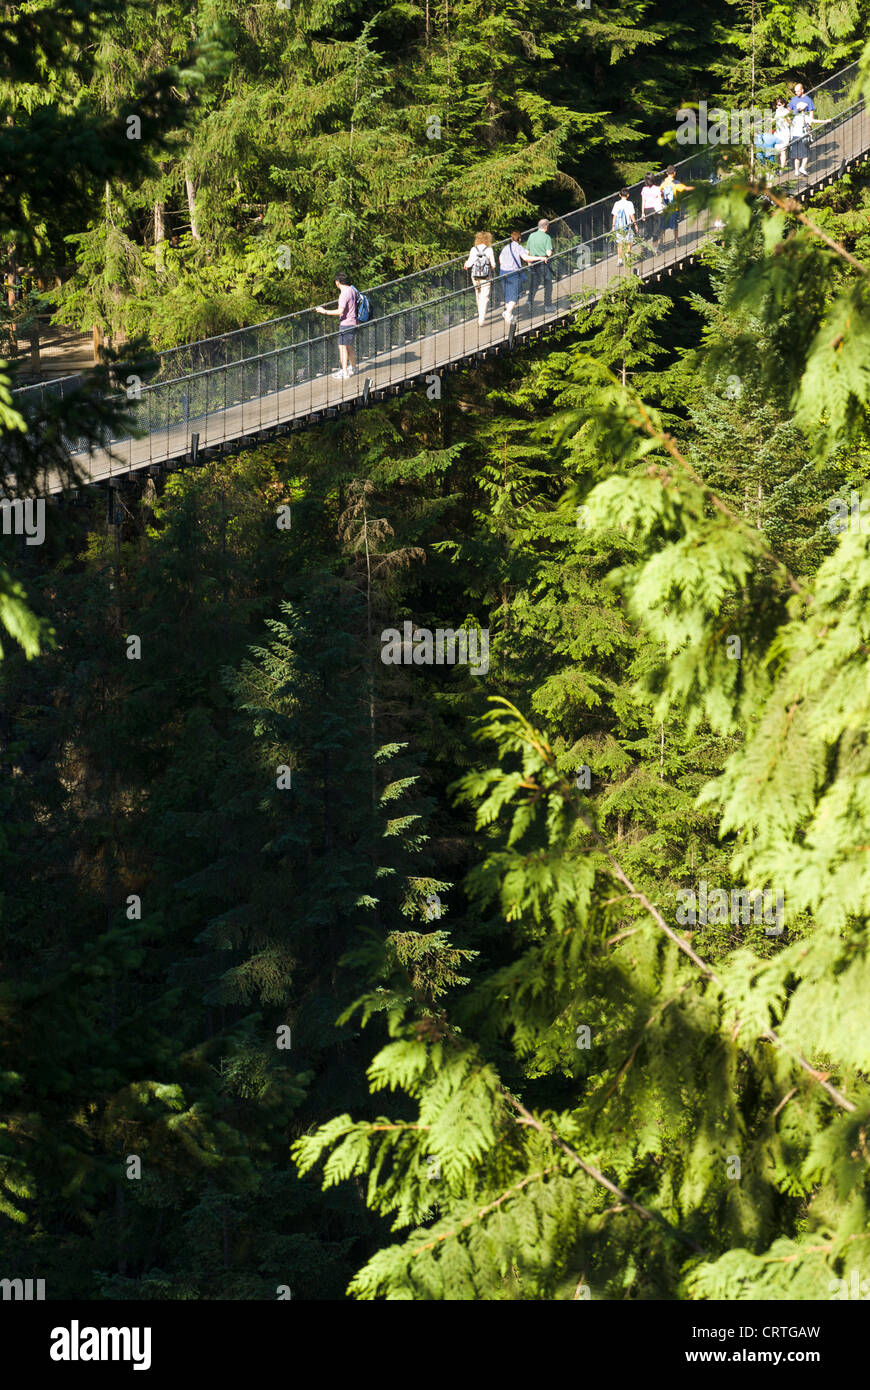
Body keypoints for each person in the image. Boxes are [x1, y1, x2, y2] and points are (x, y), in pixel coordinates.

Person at [315, 273, 358, 378]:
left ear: (338, 282)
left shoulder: (344, 294)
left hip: (346, 324)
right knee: (349, 346)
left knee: (342, 347)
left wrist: (324, 311)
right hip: (353, 322)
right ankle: (353, 368)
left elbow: (340, 311)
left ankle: (344, 372)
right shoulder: (352, 290)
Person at [498, 230, 537, 325]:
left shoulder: (505, 248)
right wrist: (540, 258)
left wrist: (506, 264)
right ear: (519, 239)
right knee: (515, 295)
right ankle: (507, 313)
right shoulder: (519, 248)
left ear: (511, 238)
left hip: (503, 272)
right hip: (513, 273)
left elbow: (500, 260)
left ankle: (509, 316)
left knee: (508, 294)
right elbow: (526, 258)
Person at [464, 232, 496, 326]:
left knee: (478, 293)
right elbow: (493, 265)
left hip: (475, 276)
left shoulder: (474, 249)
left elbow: (469, 263)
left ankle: (479, 313)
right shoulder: (489, 250)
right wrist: (490, 268)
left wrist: (466, 264)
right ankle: (481, 318)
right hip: (486, 276)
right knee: (484, 296)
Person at [525, 218, 554, 311]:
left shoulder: (531, 236)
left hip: (533, 263)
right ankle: (548, 305)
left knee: (535, 283)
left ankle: (529, 300)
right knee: (548, 283)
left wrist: (528, 262)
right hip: (543, 263)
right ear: (546, 226)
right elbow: (548, 253)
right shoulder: (547, 237)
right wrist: (550, 253)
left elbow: (527, 251)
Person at [661, 165, 692, 246]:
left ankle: (662, 242)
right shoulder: (676, 183)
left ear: (666, 173)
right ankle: (676, 240)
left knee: (663, 226)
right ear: (674, 173)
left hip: (664, 208)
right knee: (675, 225)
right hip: (674, 208)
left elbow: (659, 193)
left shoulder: (662, 183)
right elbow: (685, 189)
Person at [611, 188, 637, 267]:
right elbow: (631, 215)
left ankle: (619, 260)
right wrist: (635, 224)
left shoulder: (616, 203)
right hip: (627, 226)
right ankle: (627, 254)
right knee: (631, 241)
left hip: (619, 227)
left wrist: (613, 226)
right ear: (628, 195)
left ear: (619, 195)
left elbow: (614, 215)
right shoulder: (629, 203)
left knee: (620, 244)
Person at [640, 174, 664, 253]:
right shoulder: (657, 189)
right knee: (656, 230)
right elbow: (660, 200)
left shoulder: (644, 189)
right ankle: (655, 249)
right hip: (655, 210)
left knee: (648, 230)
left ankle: (644, 247)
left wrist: (642, 213)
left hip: (647, 210)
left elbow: (643, 201)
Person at [790, 104, 810, 177]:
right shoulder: (806, 116)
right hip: (802, 137)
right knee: (806, 154)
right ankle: (802, 167)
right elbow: (812, 121)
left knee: (796, 156)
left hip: (795, 137)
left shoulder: (795, 117)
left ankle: (796, 171)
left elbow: (792, 127)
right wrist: (825, 121)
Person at [773, 97, 791, 170]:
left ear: (783, 104)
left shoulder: (786, 112)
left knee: (783, 151)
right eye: (776, 105)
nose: (777, 106)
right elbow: (775, 119)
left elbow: (789, 123)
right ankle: (778, 166)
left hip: (784, 133)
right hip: (778, 133)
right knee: (777, 151)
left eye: (779, 105)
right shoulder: (777, 111)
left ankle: (782, 168)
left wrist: (785, 120)